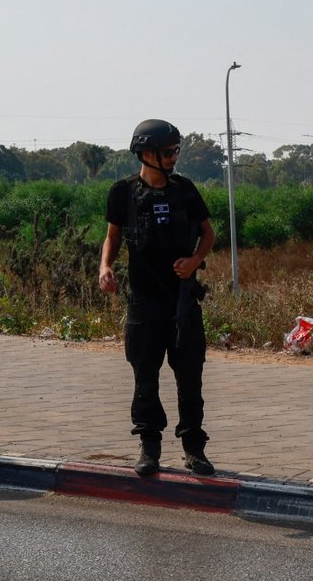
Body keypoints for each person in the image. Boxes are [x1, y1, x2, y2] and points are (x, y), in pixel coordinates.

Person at [98, 119, 215, 478]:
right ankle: (149, 446)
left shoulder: (185, 190)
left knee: (190, 378)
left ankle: (194, 448)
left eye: (176, 151)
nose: (174, 157)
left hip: (182, 301)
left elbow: (208, 234)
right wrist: (105, 267)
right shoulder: (123, 192)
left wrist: (194, 260)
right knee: (144, 377)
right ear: (146, 153)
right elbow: (113, 237)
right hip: (143, 303)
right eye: (168, 151)